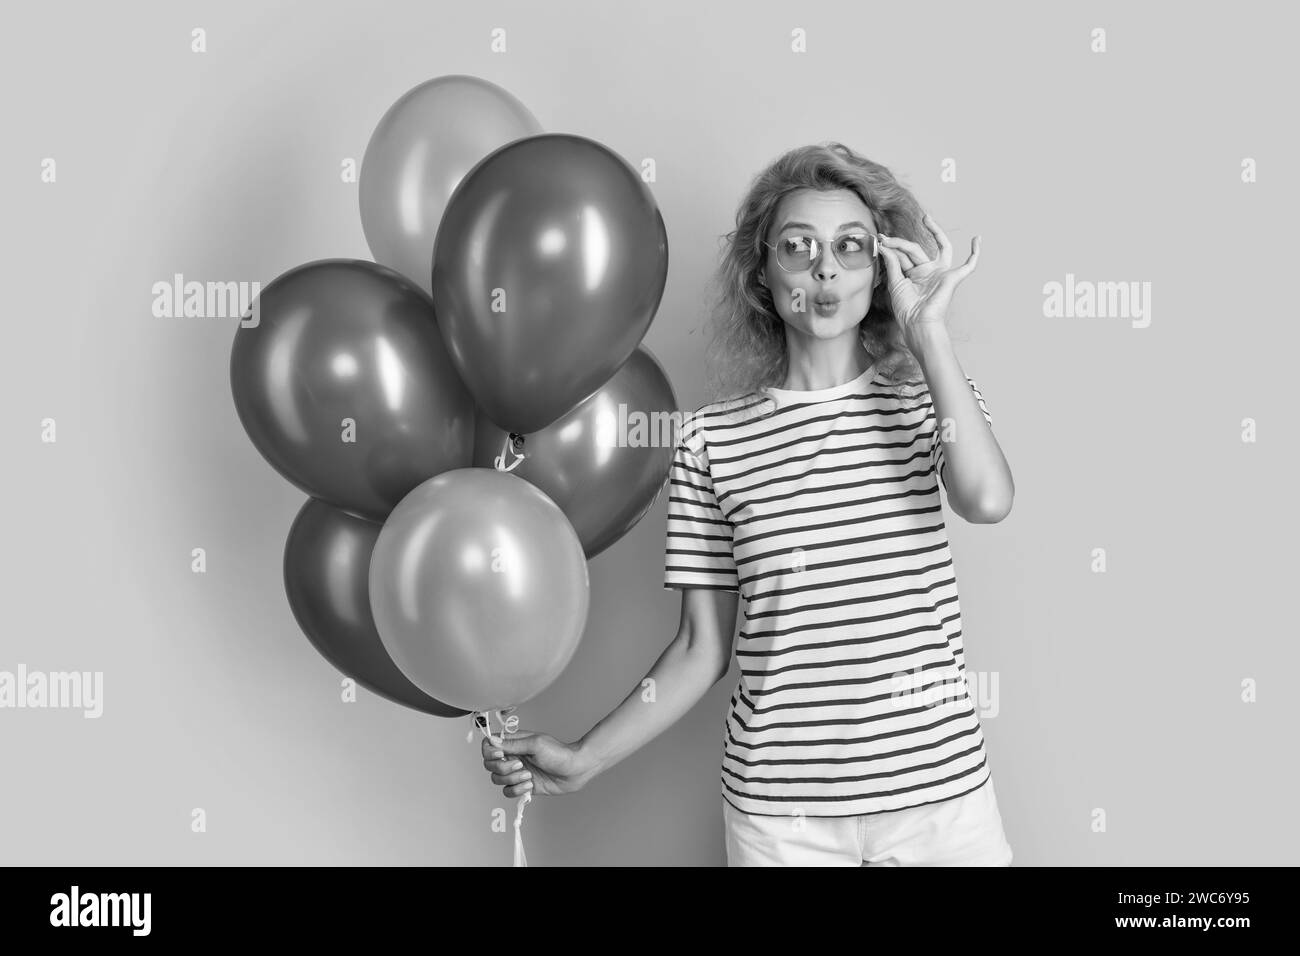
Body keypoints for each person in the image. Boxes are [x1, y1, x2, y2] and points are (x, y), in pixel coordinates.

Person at [480, 142, 1016, 866]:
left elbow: (986, 500)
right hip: (780, 819)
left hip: (937, 803)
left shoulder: (927, 398)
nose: (825, 269)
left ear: (881, 270)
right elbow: (702, 649)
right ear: (763, 274)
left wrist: (930, 336)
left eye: (851, 248)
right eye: (798, 247)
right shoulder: (708, 441)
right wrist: (587, 757)